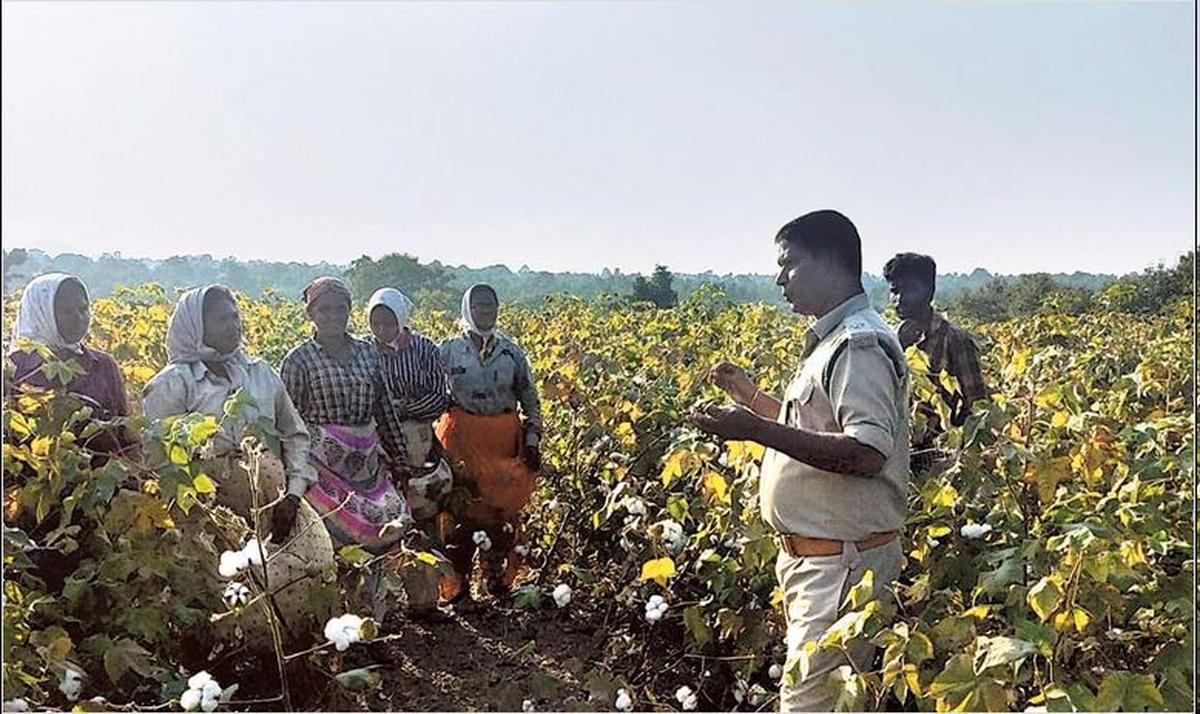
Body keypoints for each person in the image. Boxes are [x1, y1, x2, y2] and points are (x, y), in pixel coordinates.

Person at [691, 210, 909, 712]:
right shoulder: (833, 341)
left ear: (831, 262)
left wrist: (755, 429)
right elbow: (817, 431)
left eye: (789, 264)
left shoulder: (859, 345)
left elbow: (867, 451)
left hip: (840, 564)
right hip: (822, 560)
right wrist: (752, 401)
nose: (779, 278)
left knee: (809, 703)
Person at [143, 285, 335, 643]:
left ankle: (298, 668)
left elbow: (294, 434)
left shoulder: (259, 373)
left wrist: (293, 495)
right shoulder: (171, 385)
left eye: (235, 316)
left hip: (274, 502)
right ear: (196, 326)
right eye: (221, 319)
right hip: (207, 513)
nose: (234, 325)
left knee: (306, 575)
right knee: (227, 594)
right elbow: (159, 462)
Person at [280, 276, 411, 554]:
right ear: (310, 314)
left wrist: (400, 458)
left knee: (385, 537)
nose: (333, 316)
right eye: (324, 309)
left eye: (340, 308)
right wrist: (292, 477)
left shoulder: (367, 353)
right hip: (323, 470)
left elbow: (384, 409)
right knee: (332, 544)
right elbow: (289, 422)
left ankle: (378, 597)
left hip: (368, 465)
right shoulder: (298, 360)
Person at [437, 284, 543, 602]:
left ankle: (495, 581)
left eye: (491, 305)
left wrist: (533, 438)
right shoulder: (448, 350)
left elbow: (530, 398)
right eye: (480, 305)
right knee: (462, 510)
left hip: (502, 442)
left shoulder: (511, 351)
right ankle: (458, 586)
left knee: (500, 513)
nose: (486, 311)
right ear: (468, 308)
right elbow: (431, 393)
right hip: (461, 440)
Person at [365, 287, 452, 615]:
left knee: (425, 518)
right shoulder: (365, 351)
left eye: (389, 322)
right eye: (377, 323)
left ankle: (424, 602)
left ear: (401, 319)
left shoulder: (424, 349)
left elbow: (438, 398)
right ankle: (383, 609)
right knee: (384, 523)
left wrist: (400, 408)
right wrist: (390, 413)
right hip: (379, 443)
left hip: (419, 442)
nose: (382, 329)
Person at [8, 273, 137, 457]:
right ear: (42, 313)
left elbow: (126, 437)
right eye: (67, 311)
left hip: (100, 480)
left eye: (83, 309)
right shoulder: (14, 370)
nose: (78, 317)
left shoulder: (104, 366)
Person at [883, 252, 987, 472]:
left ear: (929, 292)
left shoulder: (956, 341)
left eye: (909, 289)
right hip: (893, 458)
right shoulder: (886, 340)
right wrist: (898, 346)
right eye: (894, 291)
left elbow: (976, 407)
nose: (899, 299)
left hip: (940, 461)